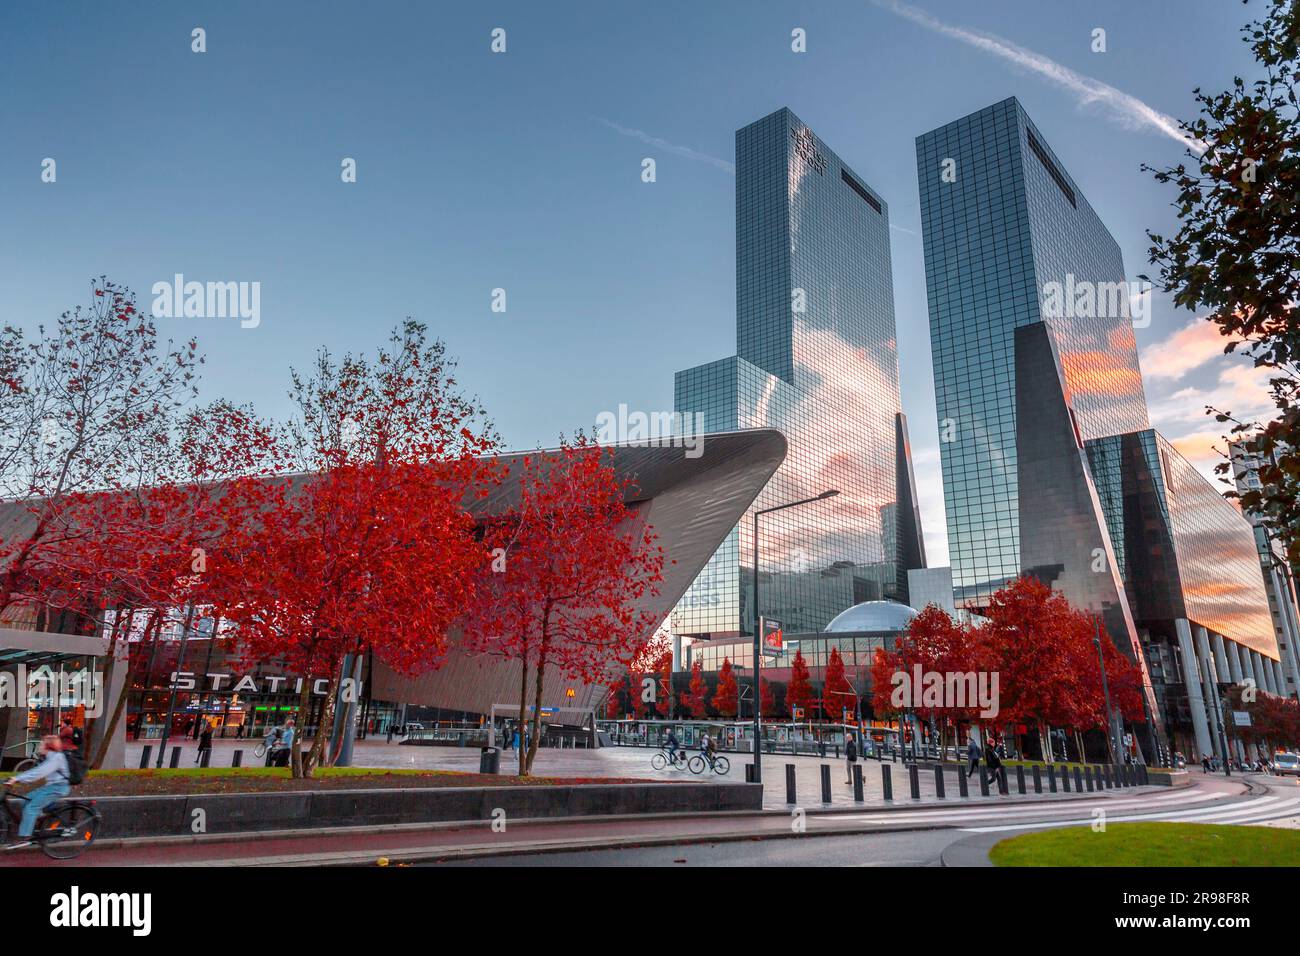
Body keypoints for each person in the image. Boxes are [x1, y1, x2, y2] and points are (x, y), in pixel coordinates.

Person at [3, 735, 70, 850]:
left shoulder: (56, 758)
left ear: (49, 746)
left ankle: (25, 837)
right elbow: (34, 770)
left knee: (31, 808)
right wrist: (15, 778)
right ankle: (37, 820)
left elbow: (40, 772)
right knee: (25, 800)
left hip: (58, 788)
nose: (39, 746)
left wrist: (17, 779)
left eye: (41, 744)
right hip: (50, 786)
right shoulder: (49, 756)